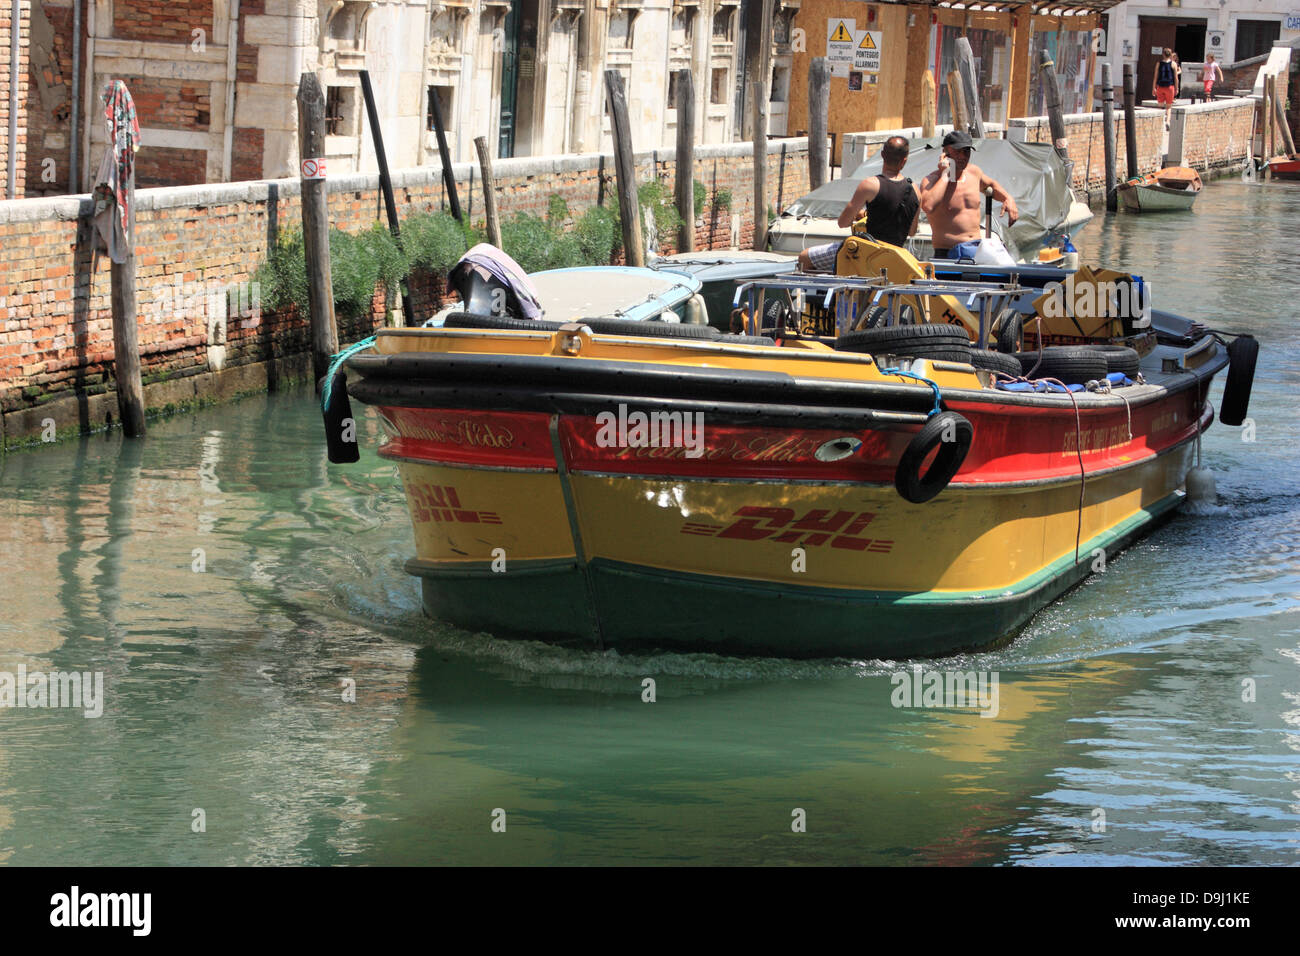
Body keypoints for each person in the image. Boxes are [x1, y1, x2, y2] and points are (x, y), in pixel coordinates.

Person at [797, 135, 921, 272]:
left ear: (882, 155)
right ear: (904, 161)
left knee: (804, 258)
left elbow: (843, 222)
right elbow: (912, 231)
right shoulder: (915, 190)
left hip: (867, 252)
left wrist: (858, 216)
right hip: (895, 255)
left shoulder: (870, 185)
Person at [917, 130, 1019, 260]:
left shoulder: (974, 172)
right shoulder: (932, 180)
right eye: (957, 151)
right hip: (948, 253)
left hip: (975, 250)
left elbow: (992, 185)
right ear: (945, 152)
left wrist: (1008, 198)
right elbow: (928, 206)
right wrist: (946, 173)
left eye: (966, 151)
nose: (963, 156)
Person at [1154, 48, 1179, 127]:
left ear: (1163, 54)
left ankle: (1160, 123)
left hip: (1160, 86)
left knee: (1160, 105)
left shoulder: (1159, 63)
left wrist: (1153, 87)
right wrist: (1176, 88)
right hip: (1170, 87)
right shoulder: (1174, 64)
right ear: (1171, 54)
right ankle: (1167, 121)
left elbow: (1155, 76)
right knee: (1169, 106)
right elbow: (1176, 78)